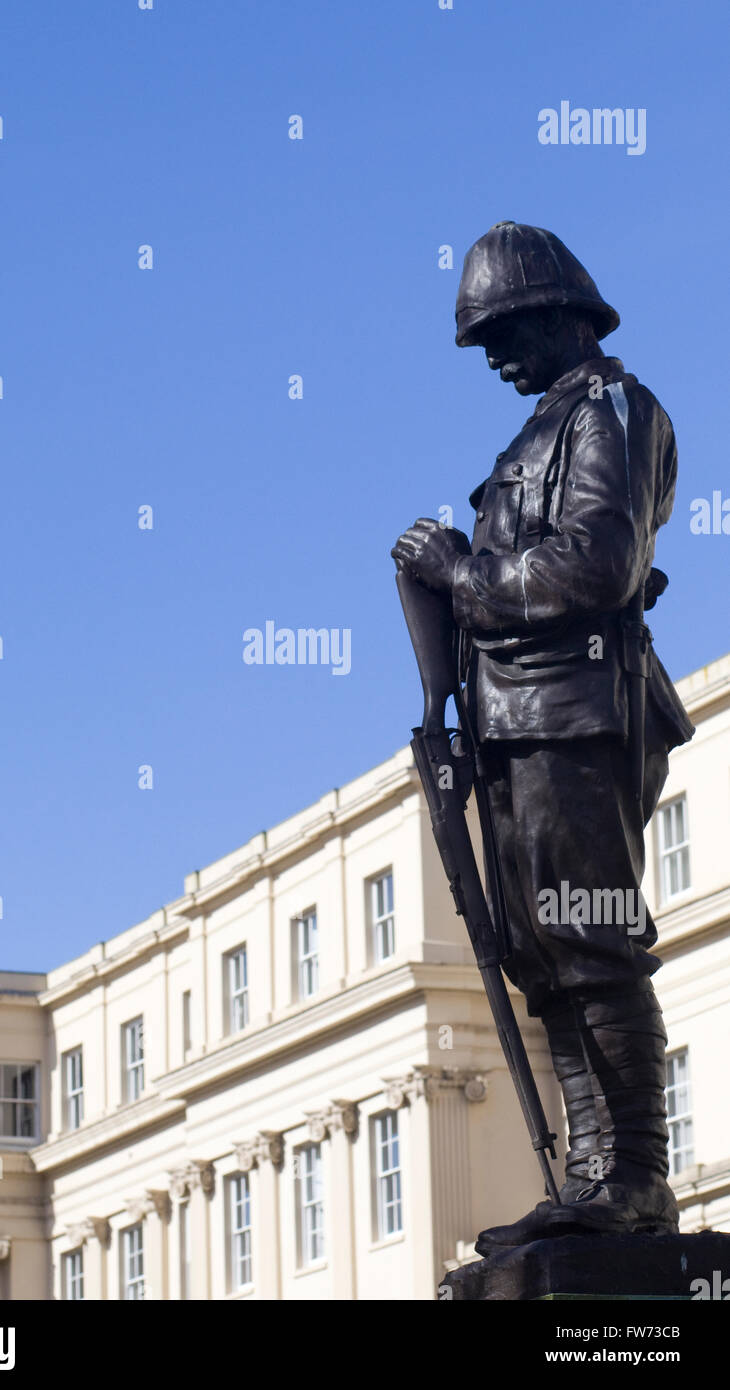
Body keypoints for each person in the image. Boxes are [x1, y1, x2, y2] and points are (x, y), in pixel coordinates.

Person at [391, 222, 695, 1250]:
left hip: (576, 713)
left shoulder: (609, 411)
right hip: (515, 726)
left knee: (589, 936)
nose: (494, 358)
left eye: (503, 332)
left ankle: (635, 1179)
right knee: (539, 953)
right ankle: (589, 1173)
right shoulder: (536, 433)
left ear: (558, 310)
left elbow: (592, 568)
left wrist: (456, 575)